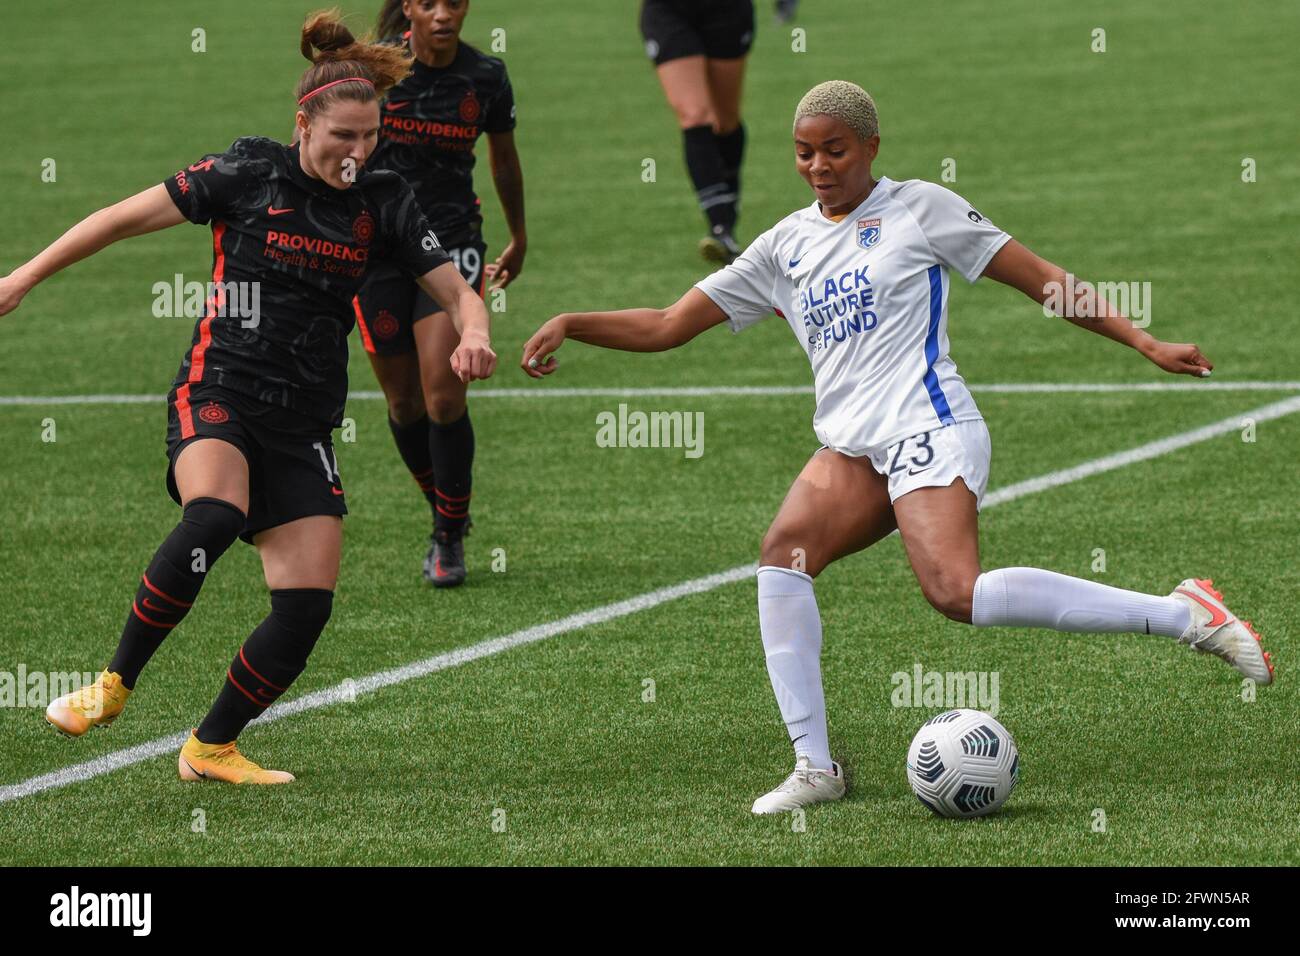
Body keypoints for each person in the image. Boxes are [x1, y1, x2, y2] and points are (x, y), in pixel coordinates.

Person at [520, 80, 1273, 814]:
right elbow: (664, 323)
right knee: (783, 554)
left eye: (836, 151)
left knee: (956, 593)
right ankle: (814, 766)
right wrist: (571, 321)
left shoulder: (920, 209)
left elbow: (1039, 278)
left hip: (930, 426)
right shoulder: (784, 246)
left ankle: (1184, 615)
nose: (819, 167)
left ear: (872, 147)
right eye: (804, 153)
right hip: (852, 449)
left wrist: (1143, 340)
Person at [0, 11, 496, 784]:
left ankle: (211, 747)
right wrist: (22, 277)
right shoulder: (246, 174)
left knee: (305, 608)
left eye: (371, 138)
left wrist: (472, 330)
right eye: (343, 138)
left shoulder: (384, 201)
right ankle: (112, 686)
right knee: (217, 513)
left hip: (304, 419)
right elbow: (116, 221)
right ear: (304, 124)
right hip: (220, 389)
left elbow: (458, 292)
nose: (359, 154)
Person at [351, 0, 524, 588]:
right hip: (375, 248)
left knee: (444, 396)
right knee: (403, 405)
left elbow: (503, 161)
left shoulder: (486, 78)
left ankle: (447, 536)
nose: (443, 14)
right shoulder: (377, 72)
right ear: (409, 9)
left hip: (451, 243)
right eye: (430, 3)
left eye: (453, 2)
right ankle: (447, 506)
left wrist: (519, 234)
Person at [639, 0, 754, 263]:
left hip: (726, 10)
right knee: (694, 115)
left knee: (726, 121)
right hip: (667, 11)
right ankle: (720, 225)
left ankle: (728, 213)